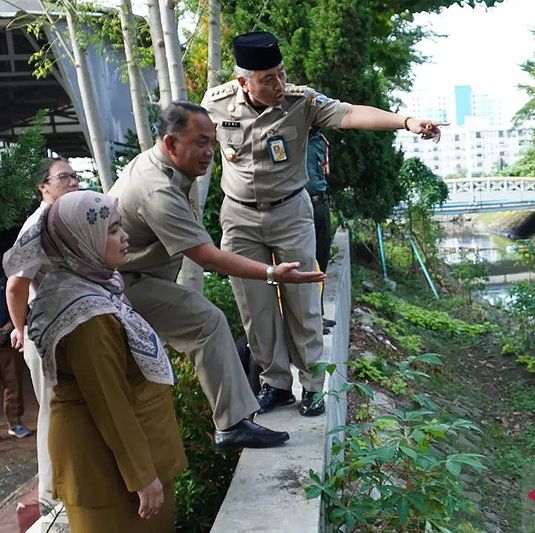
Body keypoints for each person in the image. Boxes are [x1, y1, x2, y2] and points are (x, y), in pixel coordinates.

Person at [202, 31, 444, 418]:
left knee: (303, 304)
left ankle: (313, 385)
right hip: (239, 217)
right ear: (243, 82)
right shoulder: (216, 104)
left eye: (281, 74)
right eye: (268, 79)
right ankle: (275, 383)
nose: (279, 85)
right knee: (255, 308)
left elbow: (350, 114)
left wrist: (406, 121)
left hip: (289, 213)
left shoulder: (301, 102)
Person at [108, 101, 324, 452]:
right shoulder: (157, 189)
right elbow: (207, 256)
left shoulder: (167, 167)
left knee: (201, 325)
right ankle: (232, 425)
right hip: (118, 286)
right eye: (201, 143)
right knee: (206, 322)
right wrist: (272, 272)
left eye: (212, 142)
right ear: (171, 143)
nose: (210, 152)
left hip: (134, 279)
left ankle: (235, 420)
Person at [5, 191, 185, 532]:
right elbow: (108, 400)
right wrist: (142, 476)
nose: (124, 236)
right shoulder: (86, 316)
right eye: (112, 229)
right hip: (111, 475)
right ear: (80, 240)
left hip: (122, 466)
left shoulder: (94, 285)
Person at [3, 157, 79, 505]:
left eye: (74, 176)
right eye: (63, 177)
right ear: (43, 186)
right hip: (45, 330)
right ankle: (50, 495)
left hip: (67, 327)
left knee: (68, 407)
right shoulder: (37, 226)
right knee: (53, 410)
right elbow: (15, 286)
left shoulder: (64, 219)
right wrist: (19, 329)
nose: (73, 182)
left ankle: (69, 483)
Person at [305, 129, 336, 334]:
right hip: (299, 206)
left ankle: (319, 314)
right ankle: (310, 318)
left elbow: (324, 172)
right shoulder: (292, 135)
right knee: (306, 262)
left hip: (320, 203)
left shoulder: (321, 141)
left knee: (321, 260)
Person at [0, 273, 31, 438]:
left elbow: (19, 300)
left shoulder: (8, 278)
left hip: (7, 339)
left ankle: (15, 422)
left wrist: (9, 327)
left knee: (13, 383)